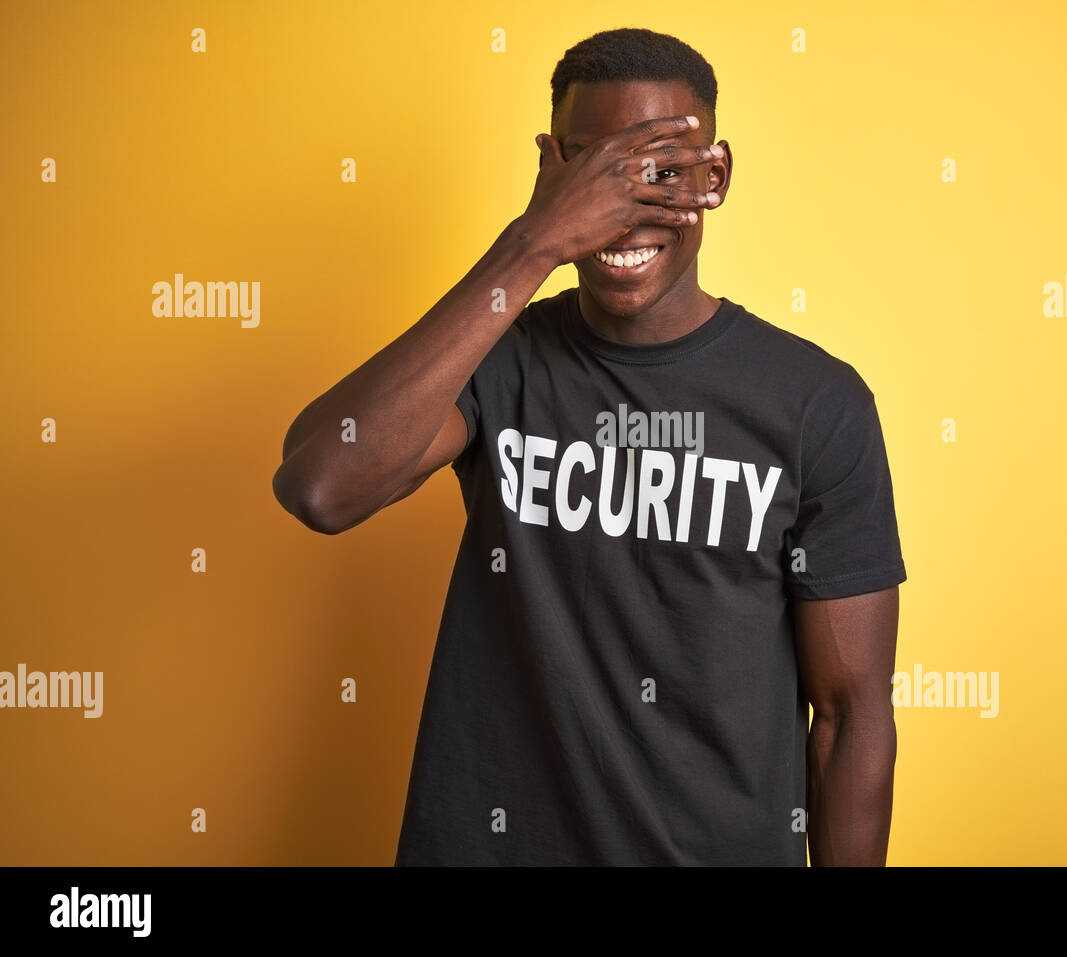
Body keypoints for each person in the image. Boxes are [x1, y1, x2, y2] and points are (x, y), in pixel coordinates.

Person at [272, 27, 907, 866]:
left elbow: (853, 717)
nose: (623, 207)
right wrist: (535, 240)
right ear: (550, 169)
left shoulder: (815, 403)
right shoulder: (495, 359)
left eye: (662, 172)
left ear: (713, 178)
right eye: (593, 171)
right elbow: (321, 484)